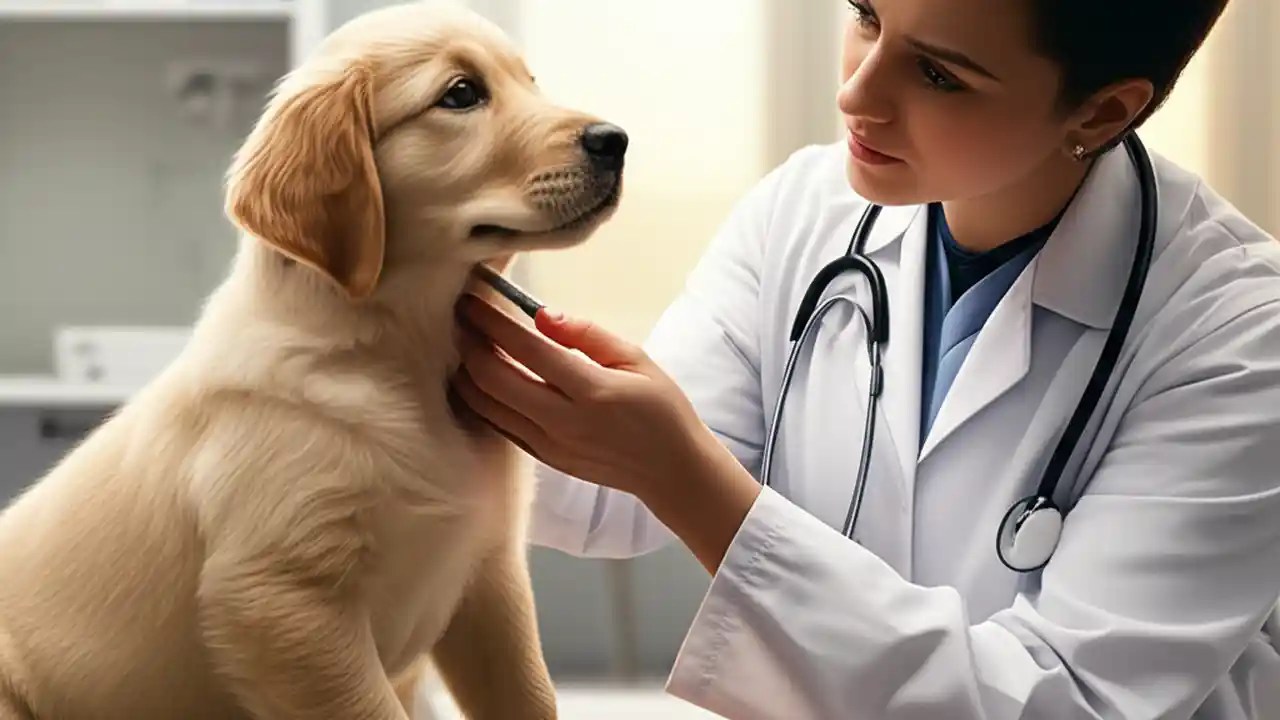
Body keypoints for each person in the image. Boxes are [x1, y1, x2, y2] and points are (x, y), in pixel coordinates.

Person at [451, 0, 1280, 717]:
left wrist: (690, 482)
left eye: (939, 76)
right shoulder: (803, 211)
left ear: (1100, 114)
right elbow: (610, 496)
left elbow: (1065, 702)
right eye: (867, 16)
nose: (855, 92)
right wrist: (394, 326)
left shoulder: (1237, 336)